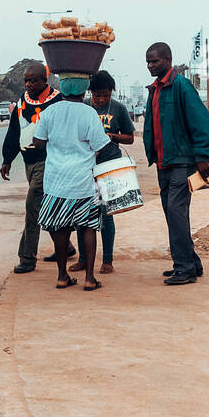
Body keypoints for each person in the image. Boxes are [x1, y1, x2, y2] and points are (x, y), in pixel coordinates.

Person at [143, 43, 209, 286]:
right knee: (173, 214)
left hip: (182, 162)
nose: (150, 65)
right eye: (148, 62)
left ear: (168, 59)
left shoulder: (181, 86)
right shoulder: (154, 89)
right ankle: (191, 262)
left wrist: (203, 156)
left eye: (154, 61)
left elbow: (201, 122)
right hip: (163, 162)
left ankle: (184, 268)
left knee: (176, 213)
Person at [31, 74, 109, 290]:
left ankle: (62, 276)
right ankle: (90, 279)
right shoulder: (89, 113)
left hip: (56, 181)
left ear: (62, 90)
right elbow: (100, 144)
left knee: (61, 228)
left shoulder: (50, 111)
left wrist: (56, 144)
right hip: (83, 181)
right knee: (88, 228)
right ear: (84, 91)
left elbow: (37, 142)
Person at [0, 63, 61, 274]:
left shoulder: (58, 101)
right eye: (26, 80)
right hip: (29, 163)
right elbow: (14, 132)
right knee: (46, 208)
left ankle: (27, 258)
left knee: (33, 206)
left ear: (45, 80)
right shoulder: (22, 103)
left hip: (49, 162)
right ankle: (66, 247)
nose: (28, 84)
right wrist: (8, 159)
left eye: (33, 80)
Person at [85, 71, 134, 275]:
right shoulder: (84, 107)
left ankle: (107, 260)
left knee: (106, 215)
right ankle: (82, 259)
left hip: (109, 167)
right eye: (97, 95)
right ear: (91, 93)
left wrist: (112, 136)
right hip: (85, 168)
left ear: (111, 93)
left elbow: (130, 138)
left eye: (105, 95)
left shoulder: (119, 109)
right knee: (84, 215)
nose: (101, 99)